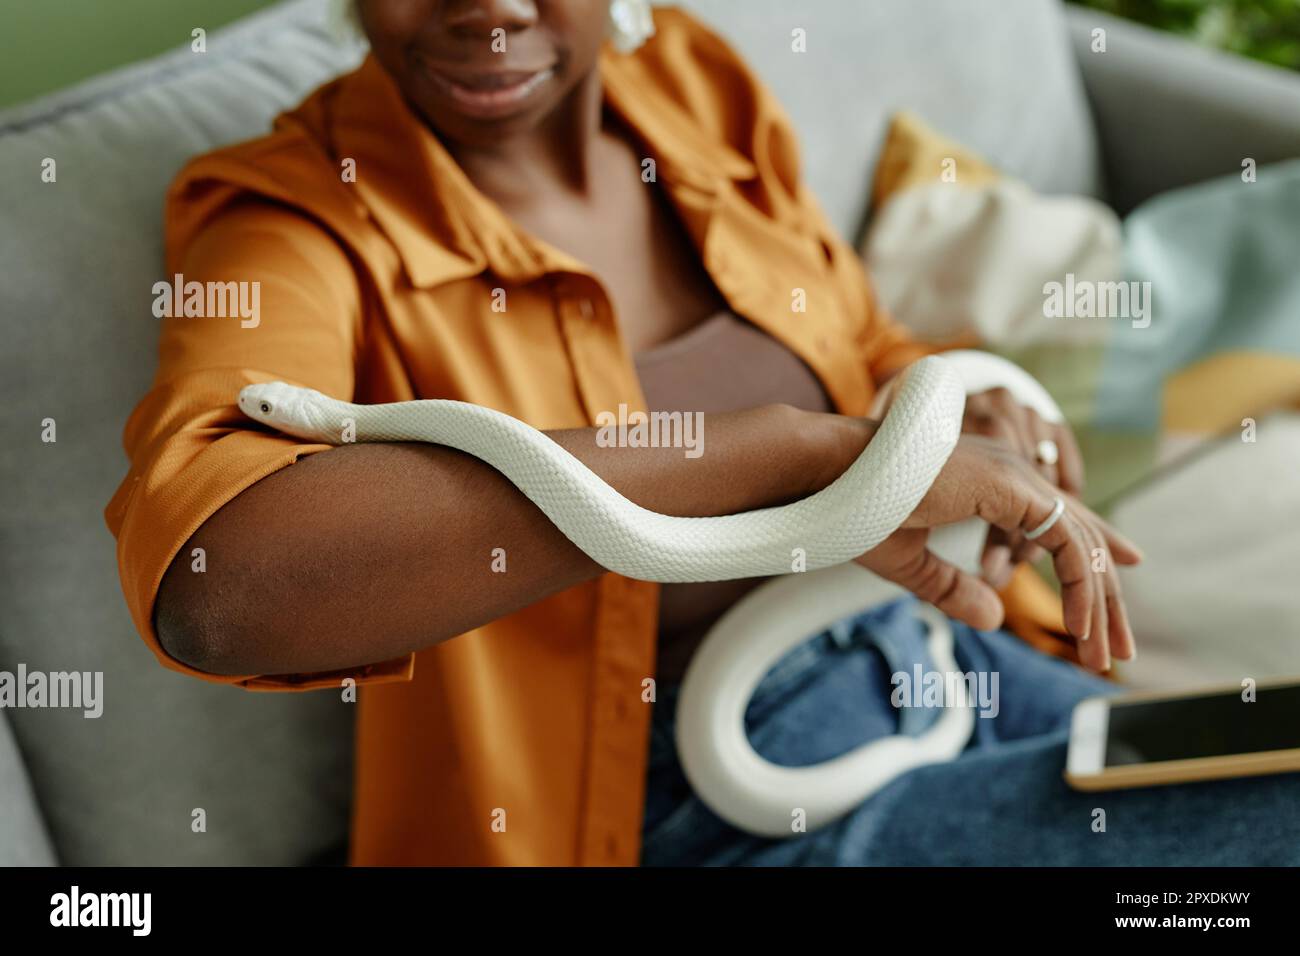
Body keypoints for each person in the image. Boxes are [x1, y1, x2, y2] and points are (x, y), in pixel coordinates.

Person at [107, 1, 1293, 866]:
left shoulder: (687, 80)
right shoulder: (283, 221)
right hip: (684, 804)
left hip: (934, 649)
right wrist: (791, 452)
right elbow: (222, 588)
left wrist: (943, 404)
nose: (487, 12)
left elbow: (860, 338)